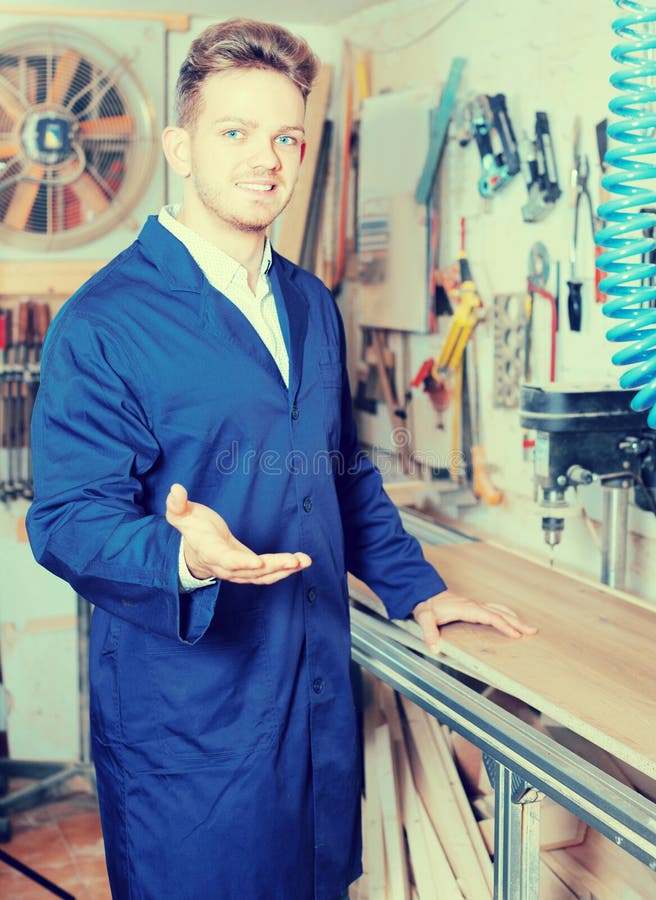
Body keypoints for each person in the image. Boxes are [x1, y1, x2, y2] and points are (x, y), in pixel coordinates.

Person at [26, 18, 537, 900]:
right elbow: (66, 520)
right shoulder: (106, 322)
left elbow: (343, 470)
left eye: (286, 137)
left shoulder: (309, 303)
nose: (267, 159)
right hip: (188, 723)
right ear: (180, 146)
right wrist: (182, 553)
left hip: (311, 696)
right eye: (235, 133)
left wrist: (420, 588)